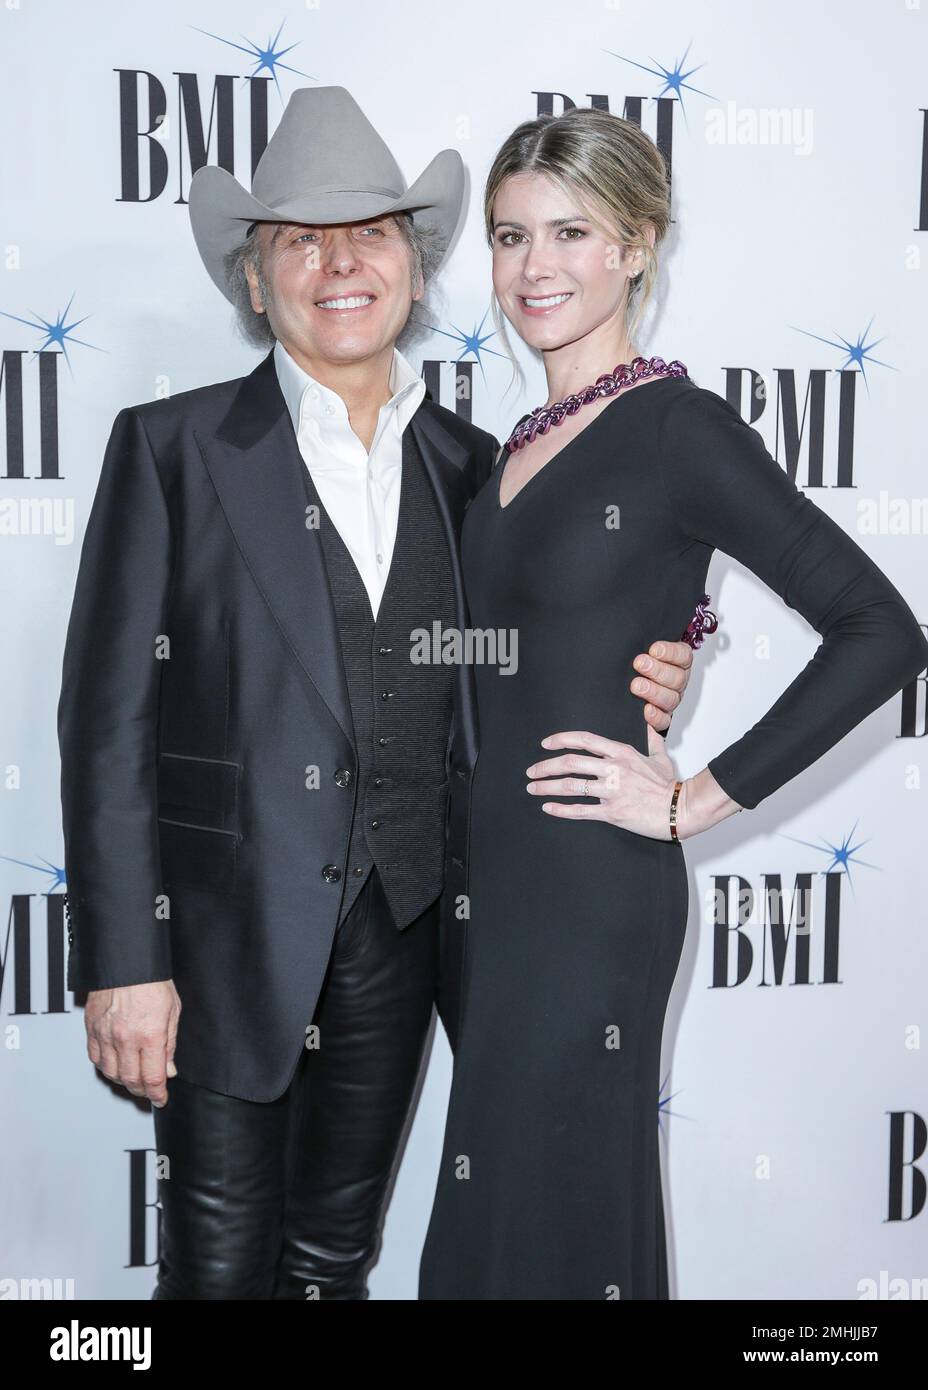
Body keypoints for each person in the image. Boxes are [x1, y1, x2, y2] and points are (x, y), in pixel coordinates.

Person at [56, 87, 694, 1300]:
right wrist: (123, 964)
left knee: (330, 1265)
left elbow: (505, 652)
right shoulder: (171, 450)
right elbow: (104, 729)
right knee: (217, 1270)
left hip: (408, 934)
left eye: (373, 234)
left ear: (415, 266)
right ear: (256, 283)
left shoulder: (473, 467)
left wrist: (655, 657)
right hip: (225, 949)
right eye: (300, 239)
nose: (339, 261)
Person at [419, 105, 928, 1300]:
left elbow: (882, 630)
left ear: (638, 245)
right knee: (511, 1226)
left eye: (570, 232)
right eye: (507, 236)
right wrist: (673, 631)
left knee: (552, 1220)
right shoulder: (509, 450)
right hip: (481, 893)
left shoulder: (677, 428)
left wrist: (697, 795)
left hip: (585, 892)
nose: (533, 267)